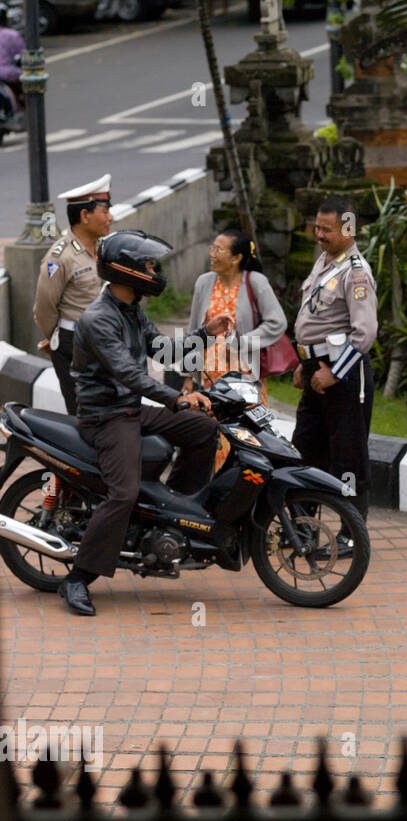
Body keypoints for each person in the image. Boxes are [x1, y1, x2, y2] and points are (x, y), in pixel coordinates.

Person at [58, 231, 232, 618]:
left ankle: (168, 512)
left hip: (132, 409)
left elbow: (161, 349)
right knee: (123, 493)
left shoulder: (131, 308)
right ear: (128, 271)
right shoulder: (99, 319)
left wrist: (206, 333)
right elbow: (126, 373)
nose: (155, 272)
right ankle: (77, 578)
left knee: (203, 430)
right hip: (106, 417)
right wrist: (177, 397)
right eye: (150, 266)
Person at [291, 196, 378, 531]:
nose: (319, 235)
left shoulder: (356, 274)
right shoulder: (326, 263)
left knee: (348, 456)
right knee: (306, 446)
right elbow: (315, 319)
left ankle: (352, 532)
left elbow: (365, 333)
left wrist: (335, 373)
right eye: (317, 227)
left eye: (327, 229)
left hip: (344, 375)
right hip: (317, 371)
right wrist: (305, 365)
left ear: (348, 228)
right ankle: (302, 527)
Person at [187, 229, 285, 469]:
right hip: (212, 380)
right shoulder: (204, 282)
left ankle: (247, 494)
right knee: (217, 438)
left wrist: (241, 344)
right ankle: (221, 496)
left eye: (219, 249)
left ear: (236, 258)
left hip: (246, 380)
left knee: (248, 436)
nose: (212, 254)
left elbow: (277, 322)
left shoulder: (255, 282)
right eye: (212, 248)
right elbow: (192, 331)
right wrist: (188, 377)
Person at [33, 174, 114, 414]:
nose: (110, 217)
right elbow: (44, 308)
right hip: (75, 344)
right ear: (85, 215)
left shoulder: (106, 248)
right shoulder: (60, 257)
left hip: (107, 339)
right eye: (104, 211)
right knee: (83, 412)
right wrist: (57, 340)